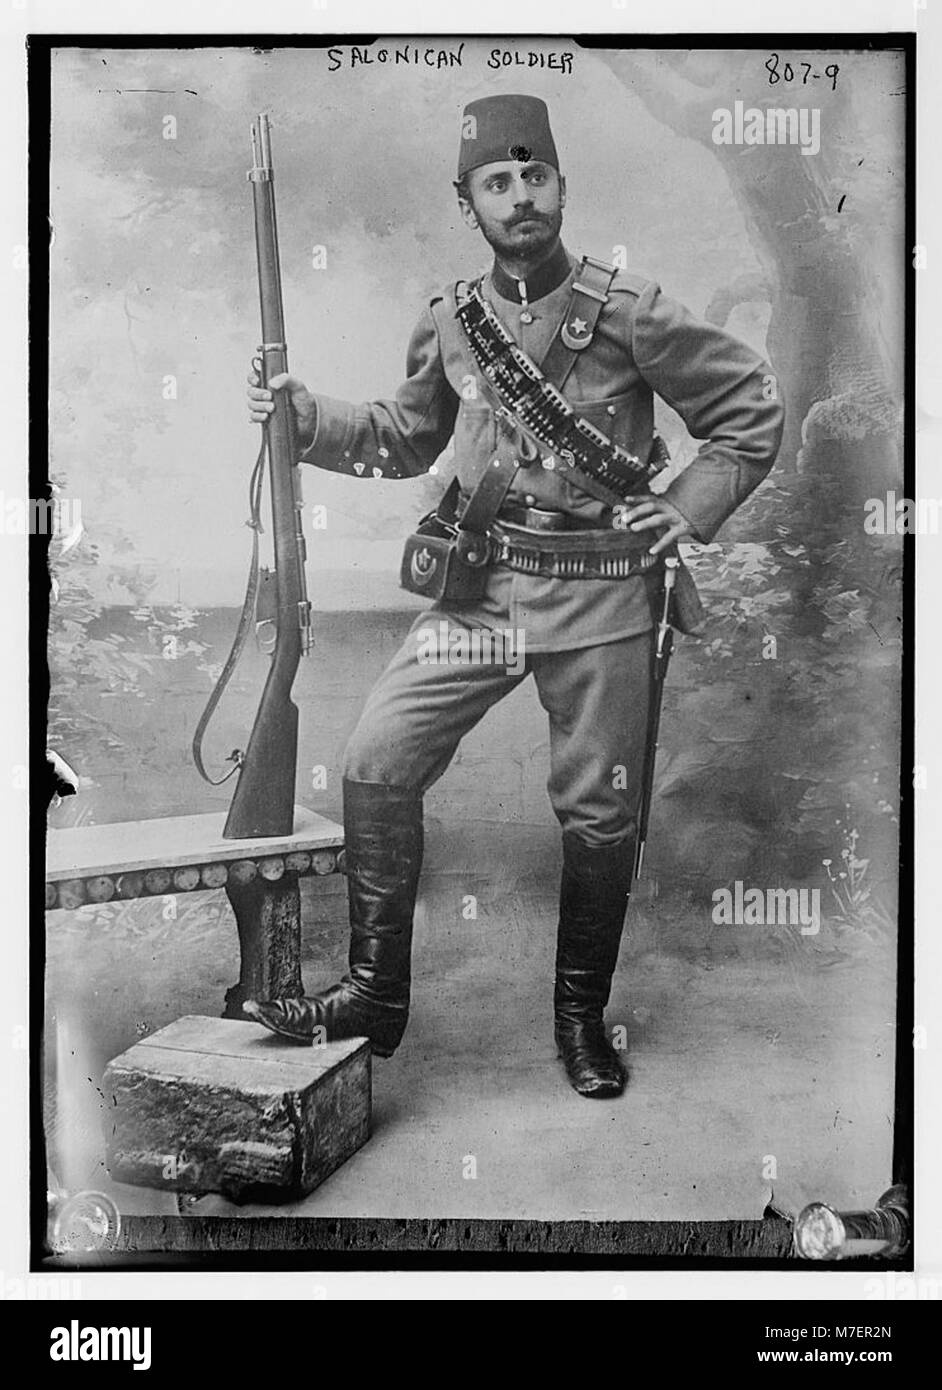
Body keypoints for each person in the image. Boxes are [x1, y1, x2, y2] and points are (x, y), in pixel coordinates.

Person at [243, 94, 784, 1098]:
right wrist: (300, 414)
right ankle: (375, 994)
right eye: (498, 181)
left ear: (562, 187)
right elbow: (404, 438)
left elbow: (751, 407)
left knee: (600, 817)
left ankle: (581, 1023)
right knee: (376, 754)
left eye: (535, 176)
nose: (520, 195)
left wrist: (689, 503)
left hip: (606, 601)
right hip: (486, 597)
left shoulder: (629, 312)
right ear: (470, 203)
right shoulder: (452, 320)